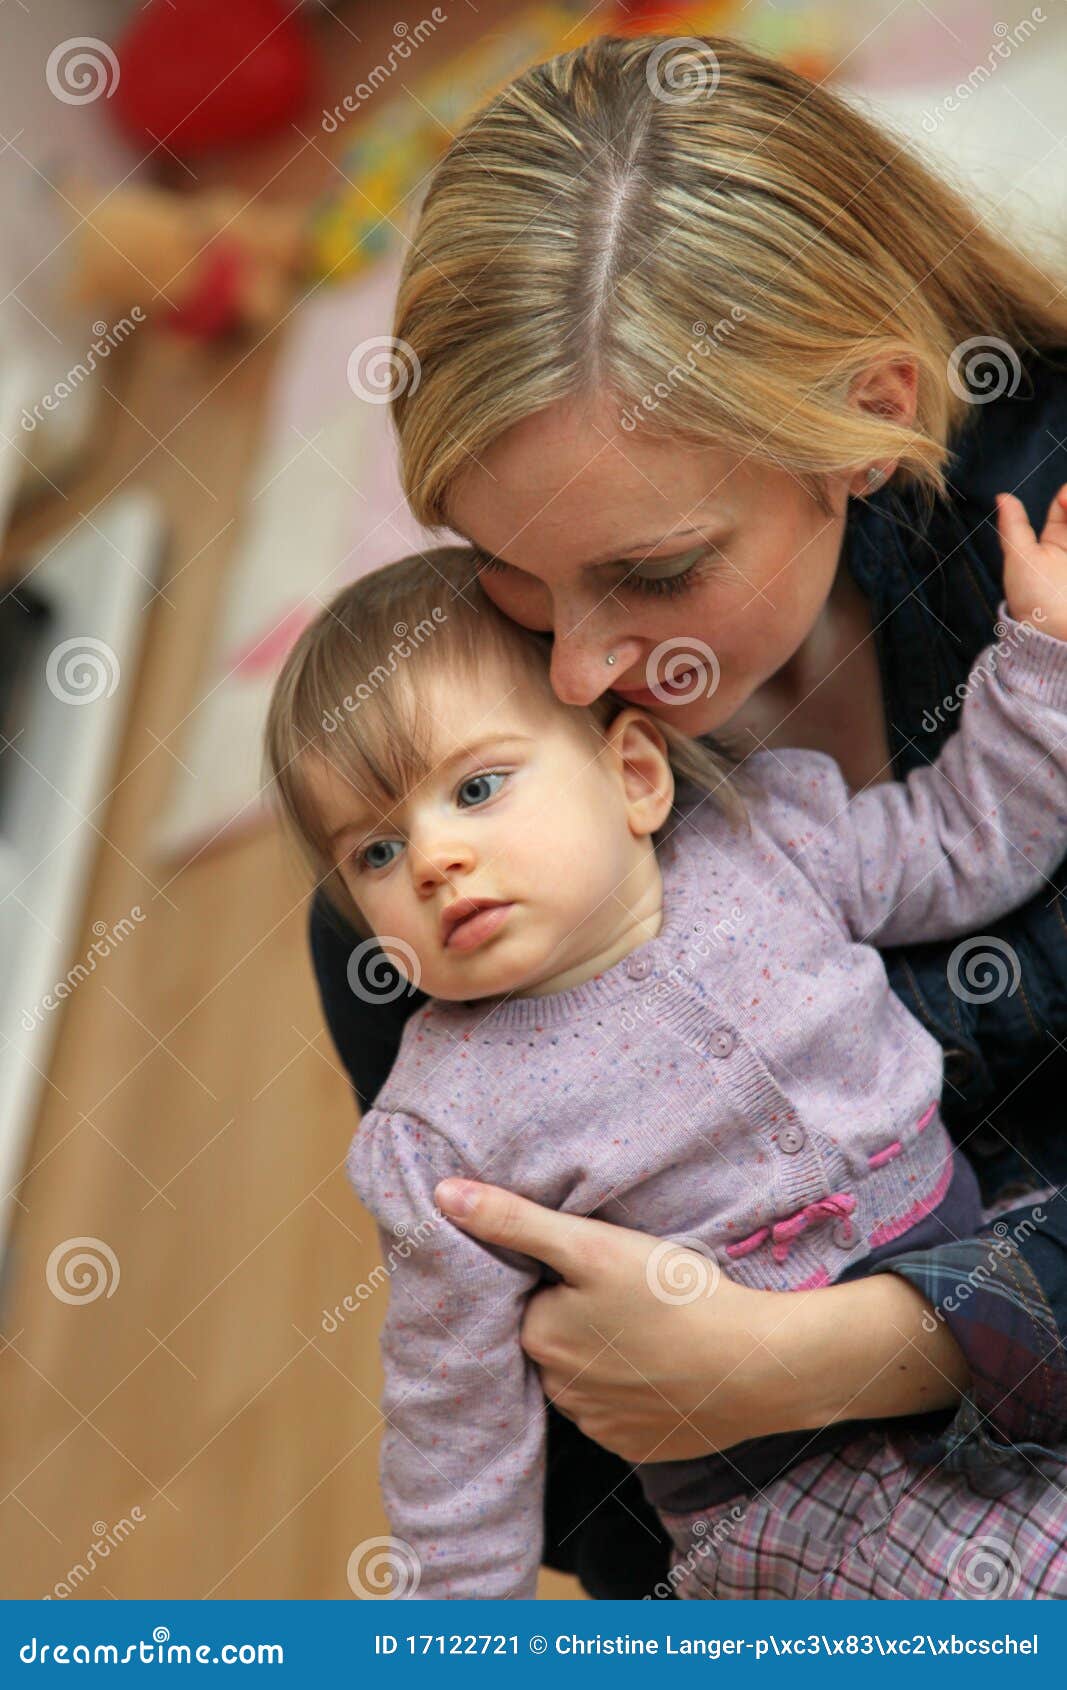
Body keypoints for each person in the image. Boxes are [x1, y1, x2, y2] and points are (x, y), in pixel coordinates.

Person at [308, 35, 1067, 1598]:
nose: (579, 665)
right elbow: (557, 1470)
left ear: (869, 414)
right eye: (509, 565)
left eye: (651, 574)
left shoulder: (1042, 581)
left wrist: (850, 1348)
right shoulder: (442, 918)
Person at [271, 506, 1067, 1599]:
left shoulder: (770, 835)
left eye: (476, 787)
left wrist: (1041, 660)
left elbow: (969, 841)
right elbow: (456, 1427)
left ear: (635, 773)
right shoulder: (437, 1126)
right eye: (375, 849)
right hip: (796, 1498)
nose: (436, 860)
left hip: (988, 1328)